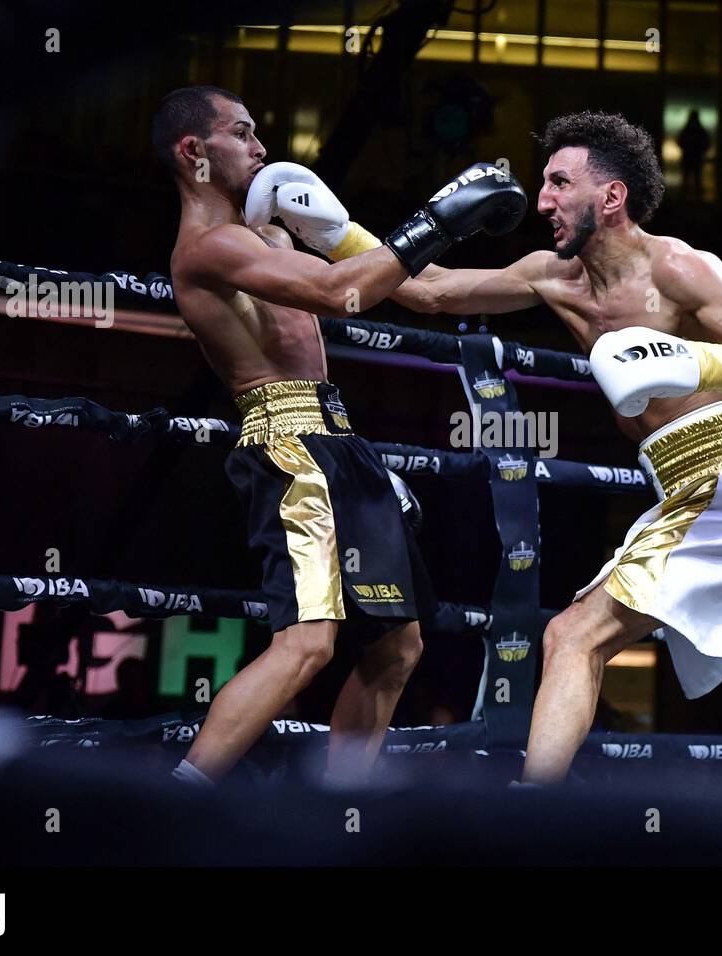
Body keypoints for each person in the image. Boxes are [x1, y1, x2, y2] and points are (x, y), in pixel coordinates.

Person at [273, 110, 722, 805]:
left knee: (574, 636)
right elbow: (432, 292)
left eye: (559, 182)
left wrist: (680, 359)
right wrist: (338, 232)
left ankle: (531, 816)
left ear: (611, 197)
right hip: (695, 489)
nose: (542, 200)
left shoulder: (678, 267)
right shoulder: (553, 275)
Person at [152, 85, 525, 787]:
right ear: (193, 152)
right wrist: (436, 217)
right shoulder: (207, 249)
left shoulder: (277, 226)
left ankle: (340, 810)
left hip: (340, 439)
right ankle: (178, 800)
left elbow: (415, 286)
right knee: (306, 646)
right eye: (243, 132)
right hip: (289, 442)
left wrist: (545, 280)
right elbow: (337, 294)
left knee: (397, 644)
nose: (262, 148)